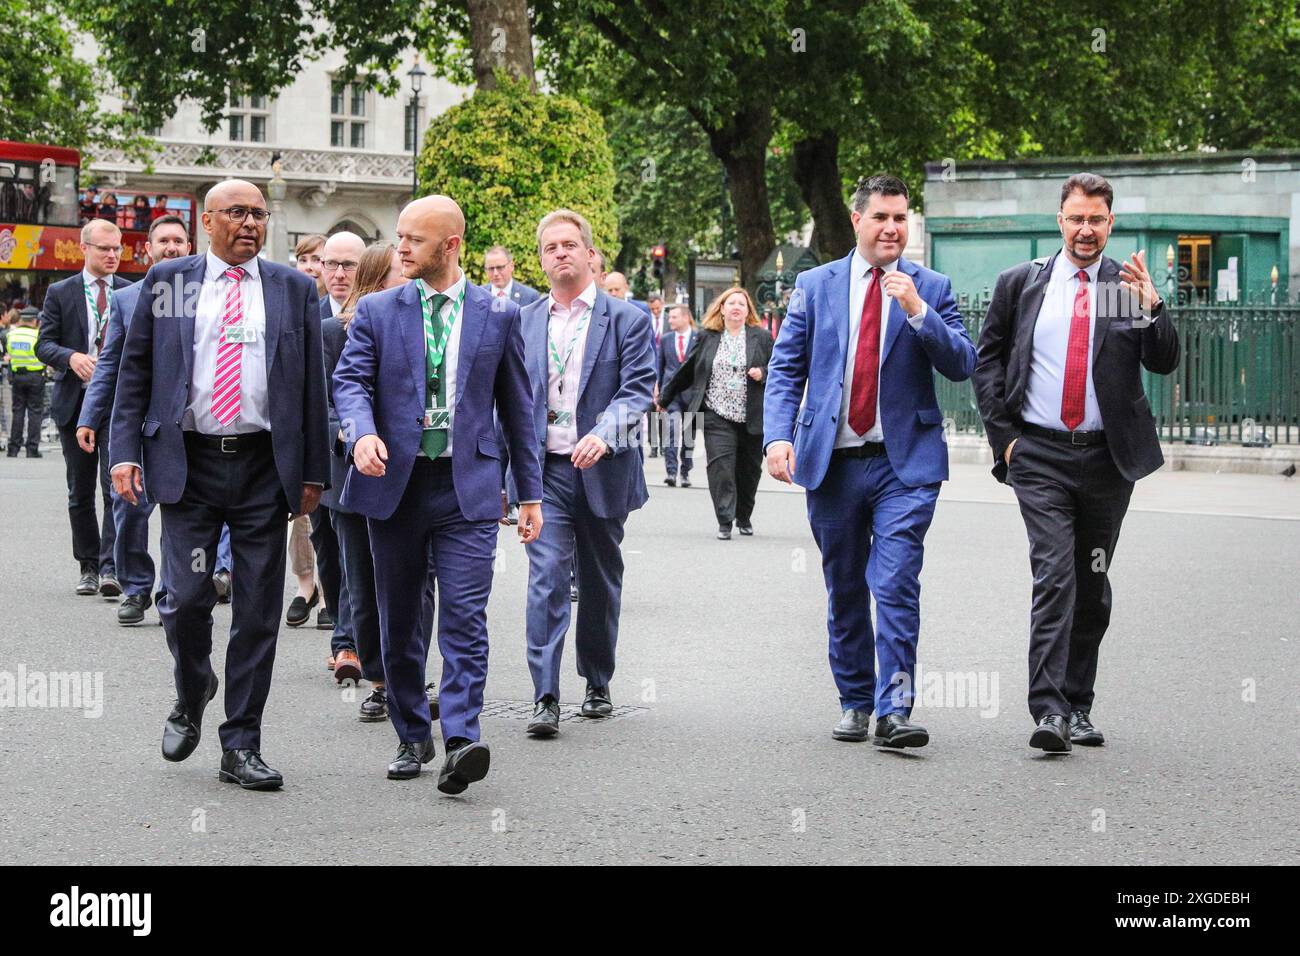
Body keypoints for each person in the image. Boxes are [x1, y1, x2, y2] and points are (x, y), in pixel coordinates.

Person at [109, 179, 329, 790]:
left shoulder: (291, 289)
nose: (251, 223)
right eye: (237, 213)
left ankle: (242, 743)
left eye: (260, 214)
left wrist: (315, 471)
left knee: (258, 610)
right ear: (208, 221)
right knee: (182, 599)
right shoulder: (169, 283)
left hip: (264, 467)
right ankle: (192, 687)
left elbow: (311, 385)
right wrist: (124, 452)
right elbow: (136, 374)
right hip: (189, 464)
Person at [333, 195, 541, 793]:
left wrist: (530, 494)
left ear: (450, 246)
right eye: (399, 237)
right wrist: (362, 433)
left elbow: (518, 409)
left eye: (414, 241)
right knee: (399, 620)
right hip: (391, 485)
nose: (400, 249)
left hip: (466, 488)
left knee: (464, 618)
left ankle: (461, 739)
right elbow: (349, 382)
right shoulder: (376, 310)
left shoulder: (496, 314)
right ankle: (410, 732)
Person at [764, 174, 975, 749]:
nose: (892, 228)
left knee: (897, 582)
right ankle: (856, 700)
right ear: (857, 220)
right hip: (832, 463)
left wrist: (917, 310)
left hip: (904, 465)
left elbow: (962, 363)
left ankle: (894, 709)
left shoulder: (930, 283)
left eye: (901, 218)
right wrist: (776, 438)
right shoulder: (816, 283)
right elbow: (787, 368)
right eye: (881, 217)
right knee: (846, 586)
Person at [973, 172, 1180, 753]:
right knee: (1055, 574)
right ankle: (1048, 711)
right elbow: (987, 362)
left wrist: (1154, 306)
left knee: (1090, 581)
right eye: (1076, 218)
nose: (1085, 229)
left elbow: (1164, 362)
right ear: (1059, 220)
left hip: (1107, 459)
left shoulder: (1124, 287)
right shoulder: (1023, 284)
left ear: (1110, 224)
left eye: (1096, 219)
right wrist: (1005, 440)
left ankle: (1078, 704)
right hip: (1038, 454)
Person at [515, 209, 656, 738]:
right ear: (542, 258)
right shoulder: (525, 319)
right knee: (546, 578)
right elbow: (508, 400)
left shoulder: (627, 319)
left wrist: (605, 431)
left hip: (603, 470)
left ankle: (597, 680)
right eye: (550, 247)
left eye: (570, 245)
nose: (560, 254)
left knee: (598, 582)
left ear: (590, 254)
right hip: (544, 472)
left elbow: (638, 387)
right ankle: (545, 696)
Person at [76, 214, 192, 625]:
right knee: (129, 510)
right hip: (141, 427)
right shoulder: (127, 300)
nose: (172, 247)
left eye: (179, 240)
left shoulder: (205, 296)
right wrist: (89, 416)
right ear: (148, 248)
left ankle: (175, 589)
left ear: (189, 247)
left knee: (185, 515)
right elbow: (109, 364)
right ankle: (136, 588)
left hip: (189, 429)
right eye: (163, 241)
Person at [321, 241, 403, 696]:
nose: (409, 281)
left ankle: (396, 676)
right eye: (399, 274)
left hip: (403, 473)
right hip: (350, 471)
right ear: (378, 280)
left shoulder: (418, 326)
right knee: (357, 576)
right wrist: (350, 436)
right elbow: (325, 400)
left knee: (402, 580)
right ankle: (375, 677)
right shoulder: (334, 332)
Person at [35, 218, 132, 596]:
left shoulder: (129, 291)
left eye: (117, 248)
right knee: (79, 490)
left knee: (115, 487)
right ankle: (88, 565)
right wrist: (71, 357)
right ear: (84, 249)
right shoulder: (61, 292)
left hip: (115, 404)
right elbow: (44, 344)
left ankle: (111, 566)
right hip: (74, 402)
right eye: (104, 248)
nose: (112, 255)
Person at [660, 288, 772, 538]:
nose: (735, 307)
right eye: (730, 303)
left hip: (751, 415)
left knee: (749, 470)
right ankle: (724, 520)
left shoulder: (761, 337)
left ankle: (743, 515)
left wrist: (763, 373)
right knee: (721, 468)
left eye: (741, 304)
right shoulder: (708, 337)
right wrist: (664, 398)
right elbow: (687, 369)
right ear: (721, 308)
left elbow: (779, 368)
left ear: (747, 310)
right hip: (716, 414)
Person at [286, 233, 329, 622]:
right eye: (306, 260)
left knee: (328, 518)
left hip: (332, 423)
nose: (314, 267)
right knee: (301, 515)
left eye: (321, 259)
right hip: (294, 422)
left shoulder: (343, 308)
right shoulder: (288, 301)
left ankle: (330, 594)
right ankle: (305, 585)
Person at [654, 303, 698, 487]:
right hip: (670, 394)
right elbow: (660, 367)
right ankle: (671, 472)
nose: (669, 320)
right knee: (671, 430)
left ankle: (685, 472)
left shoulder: (699, 338)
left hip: (693, 394)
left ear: (686, 318)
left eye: (673, 317)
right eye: (669, 317)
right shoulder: (665, 339)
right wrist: (657, 391)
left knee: (689, 434)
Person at [6, 306, 45, 458]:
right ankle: (32, 449)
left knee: (18, 411)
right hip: (35, 376)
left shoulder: (11, 334)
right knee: (35, 413)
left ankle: (13, 448)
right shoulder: (37, 335)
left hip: (17, 377)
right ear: (35, 320)